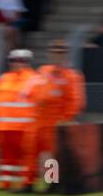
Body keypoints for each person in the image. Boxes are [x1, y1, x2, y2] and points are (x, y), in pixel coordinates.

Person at [34, 41, 87, 182]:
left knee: (59, 154)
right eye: (54, 52)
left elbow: (76, 100)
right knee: (46, 153)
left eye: (60, 53)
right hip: (42, 120)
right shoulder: (43, 71)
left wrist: (66, 119)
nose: (56, 56)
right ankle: (50, 181)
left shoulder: (72, 76)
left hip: (60, 121)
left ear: (65, 55)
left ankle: (57, 182)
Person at [0, 49, 39, 191]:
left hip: (24, 127)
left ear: (27, 62)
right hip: (3, 126)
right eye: (13, 60)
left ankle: (23, 183)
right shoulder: (3, 78)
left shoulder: (34, 79)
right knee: (5, 157)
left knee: (23, 157)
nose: (16, 63)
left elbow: (38, 103)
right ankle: (5, 183)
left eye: (20, 60)